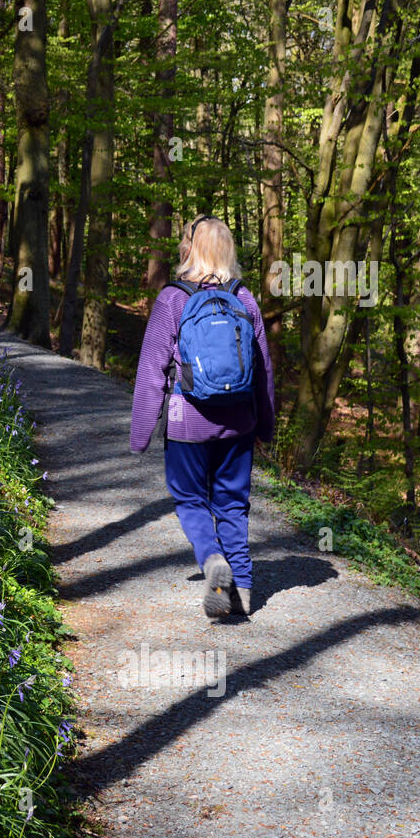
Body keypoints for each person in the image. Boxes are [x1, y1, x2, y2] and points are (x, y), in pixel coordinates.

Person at [129, 216, 276, 619]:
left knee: (191, 499)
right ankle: (242, 591)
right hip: (239, 423)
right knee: (232, 503)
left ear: (189, 248)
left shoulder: (172, 299)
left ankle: (213, 560)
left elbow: (151, 370)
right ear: (228, 250)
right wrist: (266, 425)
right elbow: (263, 371)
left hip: (186, 421)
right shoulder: (245, 299)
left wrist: (141, 433)